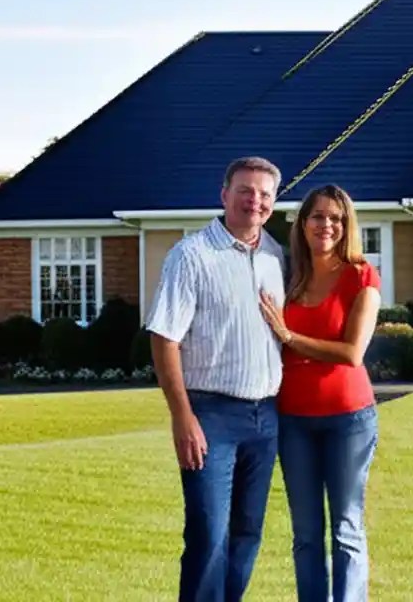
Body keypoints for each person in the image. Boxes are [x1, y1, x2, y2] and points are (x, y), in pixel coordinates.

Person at [145, 156, 287, 601]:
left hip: (266, 417)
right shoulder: (191, 255)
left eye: (264, 194)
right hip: (210, 416)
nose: (255, 201)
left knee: (247, 534)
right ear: (224, 194)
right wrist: (182, 416)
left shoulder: (275, 256)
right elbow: (164, 337)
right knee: (208, 535)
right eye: (245, 190)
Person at [256, 183, 382, 602]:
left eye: (336, 218)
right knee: (306, 534)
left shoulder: (361, 276)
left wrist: (289, 336)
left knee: (346, 527)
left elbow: (352, 353)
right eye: (318, 216)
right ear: (303, 223)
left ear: (347, 226)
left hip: (349, 420)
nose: (326, 225)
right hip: (293, 420)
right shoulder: (288, 275)